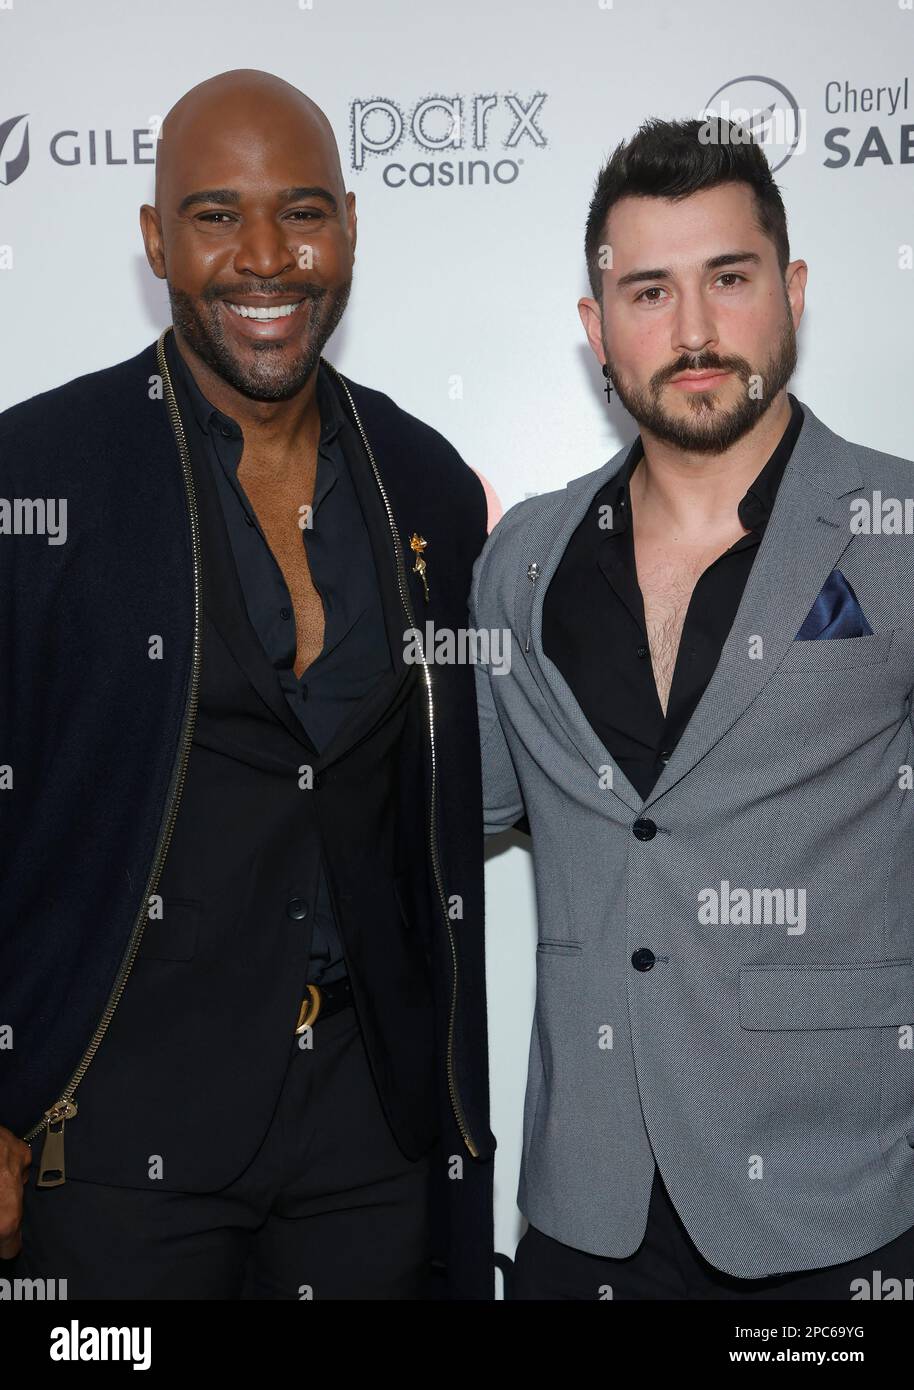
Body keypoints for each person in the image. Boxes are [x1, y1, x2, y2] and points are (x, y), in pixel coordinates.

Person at [0, 68, 494, 1300]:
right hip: (111, 1129)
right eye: (217, 215)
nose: (267, 256)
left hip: (369, 1134)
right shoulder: (39, 474)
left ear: (350, 229)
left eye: (304, 211)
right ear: (156, 239)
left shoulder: (422, 479)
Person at [472, 116, 914, 1299]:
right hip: (587, 1200)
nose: (694, 330)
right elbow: (446, 801)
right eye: (648, 292)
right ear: (595, 328)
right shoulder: (521, 560)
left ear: (792, 289)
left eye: (727, 278)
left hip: (837, 1206)